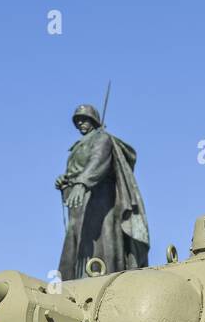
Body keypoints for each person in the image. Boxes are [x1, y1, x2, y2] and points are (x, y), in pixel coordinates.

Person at [55, 103, 149, 280]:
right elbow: (76, 170)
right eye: (78, 120)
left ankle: (106, 281)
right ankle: (70, 284)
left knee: (102, 245)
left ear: (94, 120)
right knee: (74, 247)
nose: (81, 123)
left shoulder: (102, 139)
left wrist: (81, 184)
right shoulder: (77, 146)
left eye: (85, 119)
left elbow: (97, 162)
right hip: (78, 206)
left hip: (99, 202)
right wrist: (66, 180)